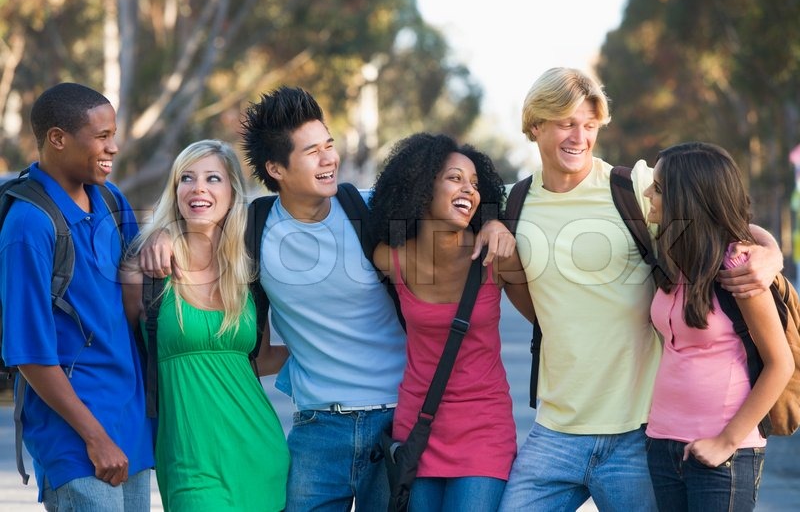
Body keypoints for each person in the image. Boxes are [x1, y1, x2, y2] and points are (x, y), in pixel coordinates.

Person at [137, 86, 516, 510]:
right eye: (312, 151)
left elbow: (447, 209)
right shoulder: (254, 228)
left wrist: (495, 222)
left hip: (394, 422)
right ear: (276, 168)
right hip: (317, 428)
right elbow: (203, 214)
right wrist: (162, 235)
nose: (329, 159)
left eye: (329, 146)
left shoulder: (370, 212)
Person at [498, 67, 784, 511]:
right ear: (535, 125)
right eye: (566, 123)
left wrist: (769, 251)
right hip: (555, 429)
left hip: (640, 431)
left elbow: (711, 211)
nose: (580, 137)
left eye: (590, 125)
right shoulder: (511, 204)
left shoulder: (630, 187)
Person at [0, 82, 153, 510]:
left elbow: (136, 291)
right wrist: (95, 437)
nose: (114, 147)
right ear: (57, 138)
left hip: (129, 426)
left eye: (113, 134)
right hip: (79, 443)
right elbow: (28, 352)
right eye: (102, 136)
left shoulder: (108, 197)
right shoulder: (29, 225)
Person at [369, 132, 535, 510]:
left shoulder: (496, 259)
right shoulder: (390, 258)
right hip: (418, 429)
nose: (469, 189)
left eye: (475, 184)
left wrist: (498, 224)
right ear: (421, 187)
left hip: (483, 429)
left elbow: (545, 319)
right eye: (455, 178)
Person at [122, 139, 290, 510]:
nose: (199, 188)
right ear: (175, 191)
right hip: (188, 459)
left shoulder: (247, 273)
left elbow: (257, 360)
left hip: (260, 453)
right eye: (187, 178)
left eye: (213, 178)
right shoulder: (145, 272)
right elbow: (119, 357)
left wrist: (320, 346)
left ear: (232, 192)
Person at [642, 142, 793, 512]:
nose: (648, 193)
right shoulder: (672, 255)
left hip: (725, 451)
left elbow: (780, 363)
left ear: (686, 199)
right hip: (662, 443)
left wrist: (726, 441)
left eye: (658, 188)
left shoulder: (737, 267)